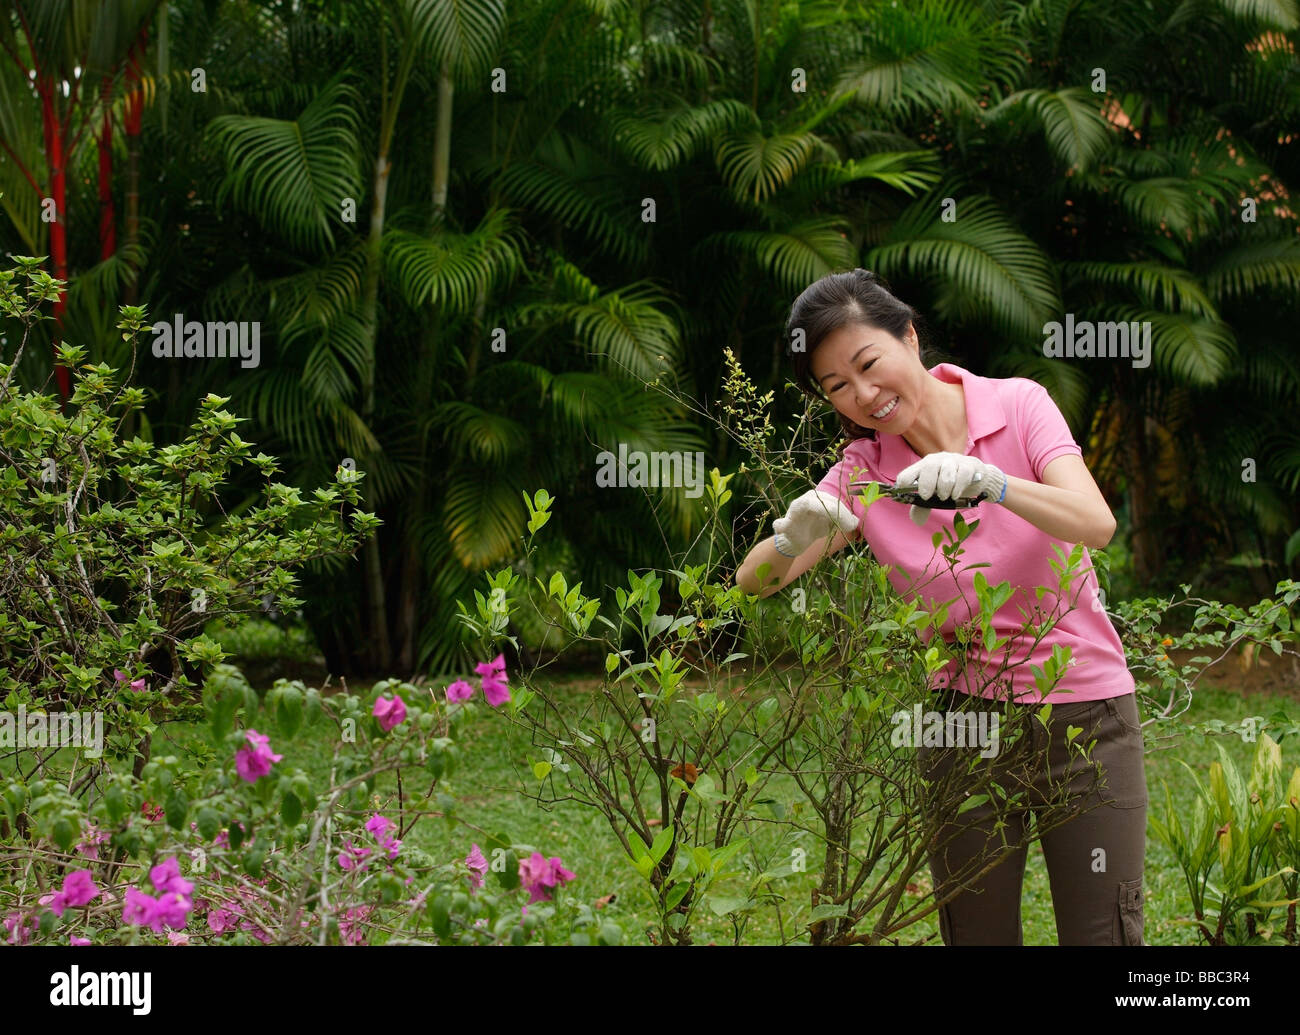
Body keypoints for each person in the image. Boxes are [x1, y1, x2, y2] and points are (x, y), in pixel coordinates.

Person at [734, 268, 1147, 946]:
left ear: (909, 336)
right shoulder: (864, 471)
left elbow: (1096, 523)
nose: (864, 394)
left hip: (1086, 715)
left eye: (868, 364)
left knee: (1105, 932)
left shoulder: (1018, 404)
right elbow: (755, 582)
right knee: (976, 932)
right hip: (963, 725)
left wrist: (993, 482)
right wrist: (792, 536)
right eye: (837, 385)